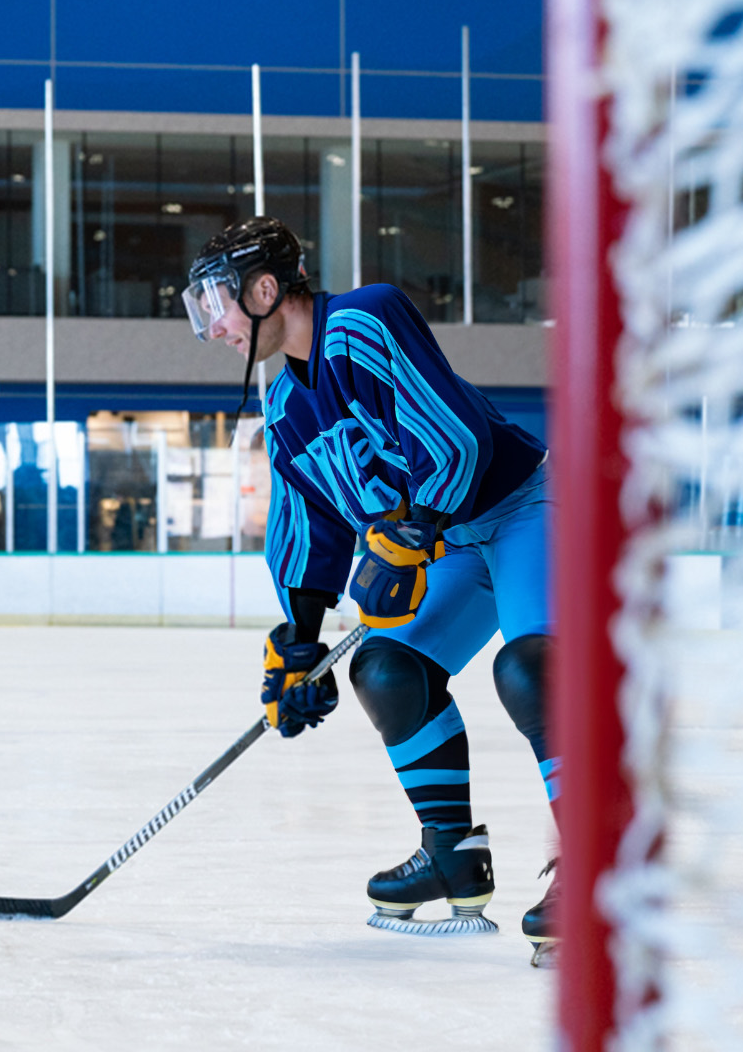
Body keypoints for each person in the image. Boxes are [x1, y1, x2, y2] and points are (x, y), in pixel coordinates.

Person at [184, 217, 557, 961]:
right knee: (385, 672)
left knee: (533, 673)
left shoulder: (365, 318)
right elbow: (306, 530)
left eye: (217, 302)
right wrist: (296, 646)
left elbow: (455, 437)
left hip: (523, 511)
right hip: (445, 543)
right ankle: (451, 852)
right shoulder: (286, 410)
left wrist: (410, 530)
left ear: (264, 289)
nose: (214, 326)